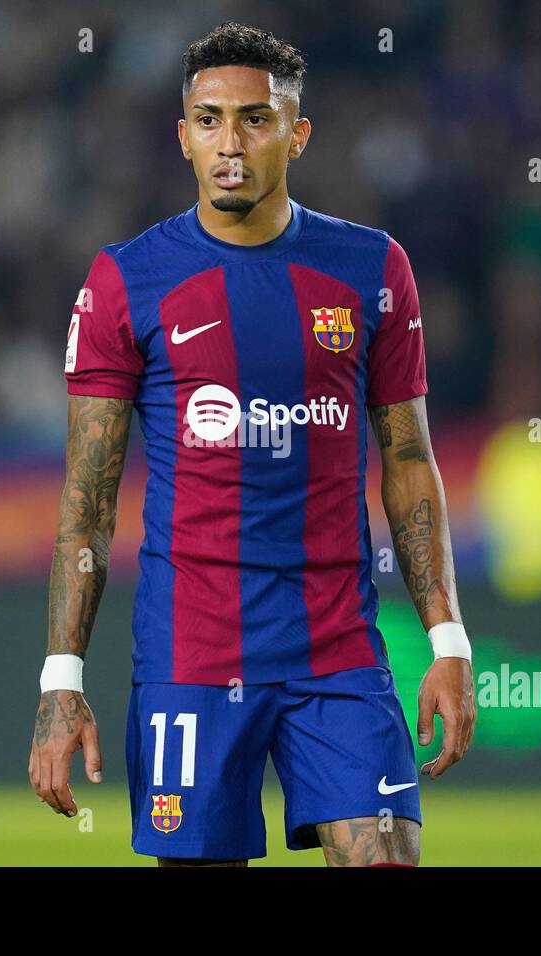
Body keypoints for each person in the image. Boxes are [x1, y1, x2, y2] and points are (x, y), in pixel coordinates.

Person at [29, 21, 475, 867]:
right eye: (208, 120)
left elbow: (409, 463)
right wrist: (61, 683)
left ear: (296, 133)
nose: (230, 143)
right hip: (190, 652)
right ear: (183, 137)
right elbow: (86, 503)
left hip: (337, 649)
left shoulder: (372, 268)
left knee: (386, 860)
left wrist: (446, 640)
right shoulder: (124, 281)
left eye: (255, 119)